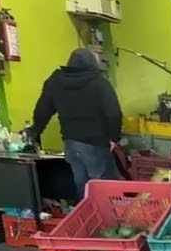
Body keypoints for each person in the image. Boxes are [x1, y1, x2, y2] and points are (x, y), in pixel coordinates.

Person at [31, 48, 123, 193]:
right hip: (97, 144)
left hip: (72, 144)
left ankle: (87, 215)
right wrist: (114, 138)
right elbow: (114, 113)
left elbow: (43, 109)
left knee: (82, 187)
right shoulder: (99, 82)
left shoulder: (55, 81)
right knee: (104, 189)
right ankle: (105, 216)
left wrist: (36, 131)